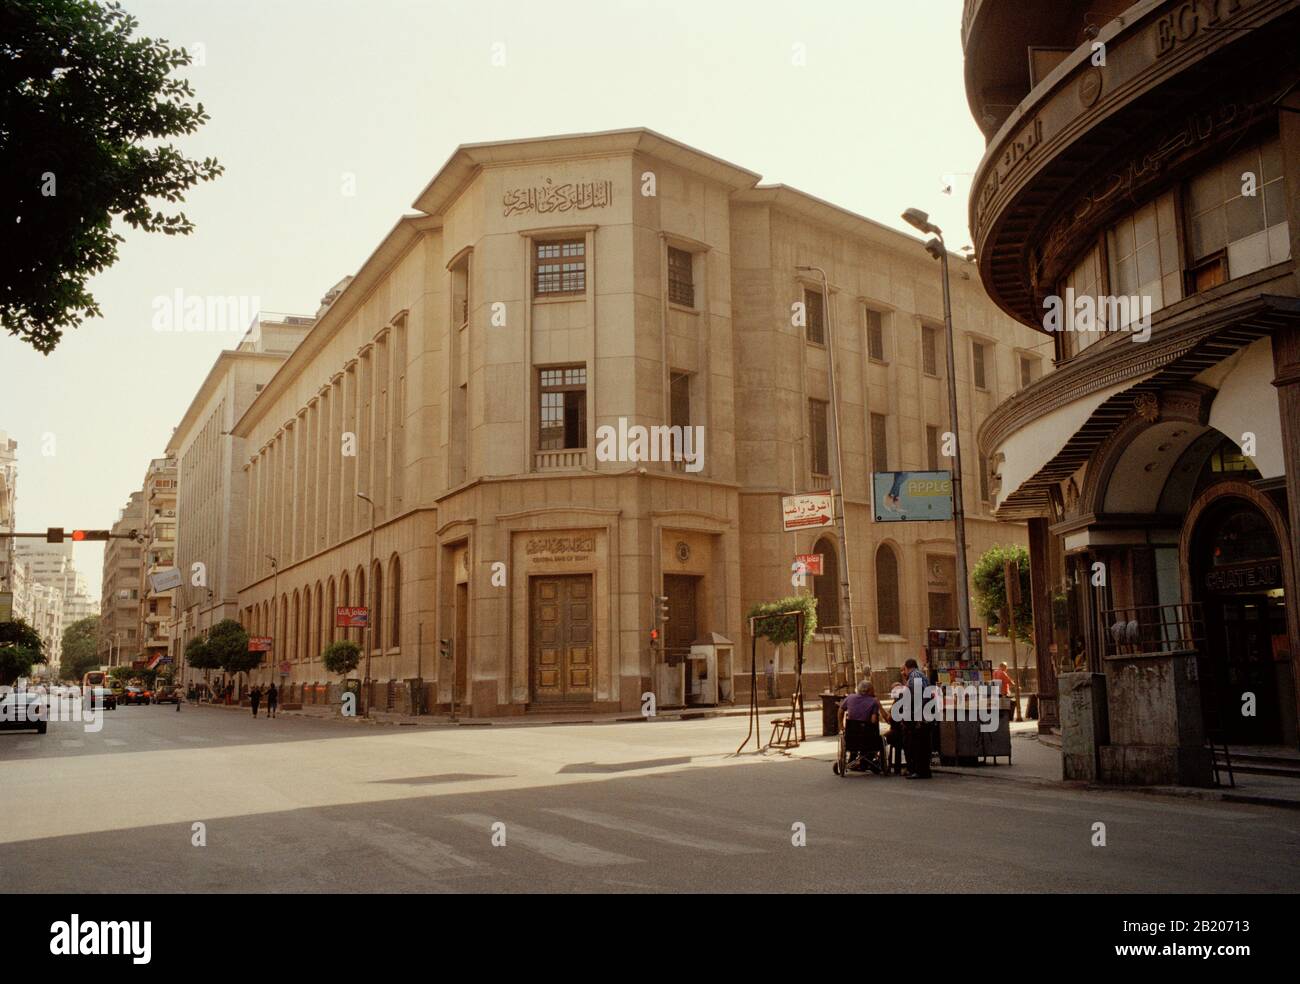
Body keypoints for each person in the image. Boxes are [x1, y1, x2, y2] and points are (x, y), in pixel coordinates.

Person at [838, 679, 883, 773]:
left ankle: (854, 760)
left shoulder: (850, 698)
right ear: (870, 690)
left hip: (852, 736)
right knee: (871, 736)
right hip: (868, 738)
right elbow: (873, 720)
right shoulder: (874, 701)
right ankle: (866, 762)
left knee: (856, 736)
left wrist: (841, 725)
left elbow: (841, 710)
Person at [900, 657, 932, 779]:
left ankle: (920, 771)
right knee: (922, 744)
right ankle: (923, 770)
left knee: (918, 744)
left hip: (920, 715)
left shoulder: (914, 677)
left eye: (904, 670)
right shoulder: (921, 675)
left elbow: (918, 698)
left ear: (907, 668)